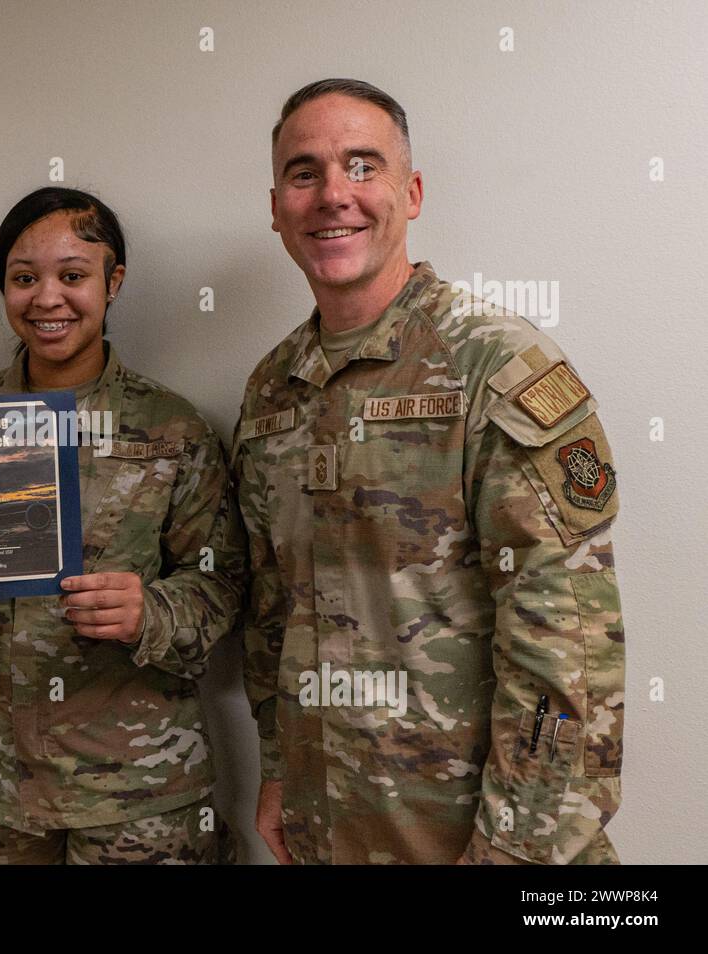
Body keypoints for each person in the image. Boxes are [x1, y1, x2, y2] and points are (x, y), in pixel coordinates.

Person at [234, 78, 625, 865]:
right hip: (329, 824)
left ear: (410, 194)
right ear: (276, 206)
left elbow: (568, 649)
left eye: (362, 166)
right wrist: (279, 770)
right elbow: (274, 609)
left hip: (474, 836)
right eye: (305, 173)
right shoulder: (273, 388)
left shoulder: (495, 365)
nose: (333, 194)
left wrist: (513, 850)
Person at [0, 187, 247, 864]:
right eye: (24, 278)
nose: (48, 299)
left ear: (113, 282)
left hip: (138, 784)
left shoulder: (172, 430)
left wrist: (151, 610)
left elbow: (223, 585)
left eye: (73, 275)